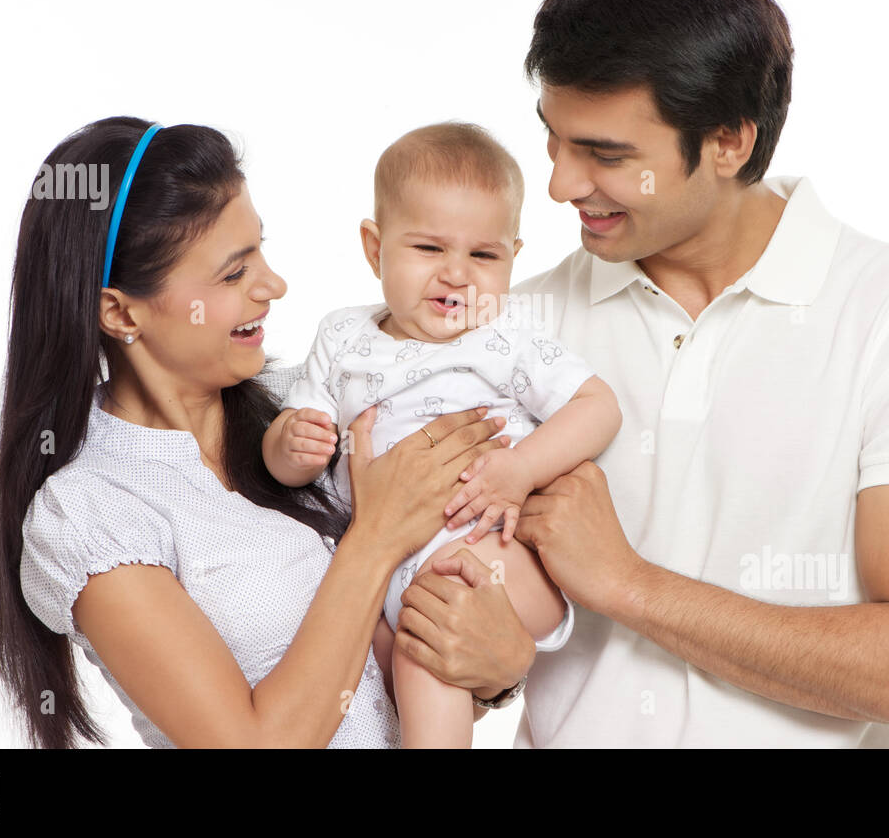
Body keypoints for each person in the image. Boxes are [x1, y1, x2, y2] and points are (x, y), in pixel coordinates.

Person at [498, 0, 889, 747]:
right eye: (554, 136)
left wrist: (630, 585)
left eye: (605, 154)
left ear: (729, 141)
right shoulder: (516, 327)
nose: (558, 183)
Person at [0, 117, 537, 748]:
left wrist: (498, 672)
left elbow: (404, 668)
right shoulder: (91, 515)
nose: (273, 287)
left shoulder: (305, 412)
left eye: (261, 254)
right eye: (232, 274)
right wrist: (377, 537)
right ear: (120, 311)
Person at [265, 121, 622, 746]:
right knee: (356, 662)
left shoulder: (508, 334)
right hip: (382, 570)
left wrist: (520, 470)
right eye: (429, 249)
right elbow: (291, 448)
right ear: (375, 249)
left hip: (491, 554)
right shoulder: (342, 335)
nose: (458, 276)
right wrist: (292, 444)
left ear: (513, 257)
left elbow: (597, 408)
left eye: (484, 256)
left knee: (424, 652)